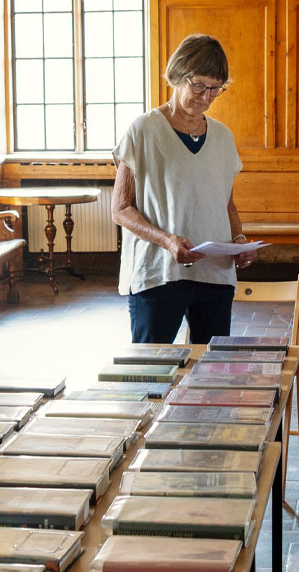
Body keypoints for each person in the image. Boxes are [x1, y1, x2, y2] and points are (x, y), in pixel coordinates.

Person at [109, 33, 256, 344]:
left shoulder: (223, 137)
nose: (206, 97)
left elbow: (226, 204)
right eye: (199, 85)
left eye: (216, 89)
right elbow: (121, 209)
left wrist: (239, 240)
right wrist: (167, 241)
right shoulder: (143, 130)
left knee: (212, 366)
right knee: (152, 366)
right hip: (158, 273)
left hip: (215, 274)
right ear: (177, 75)